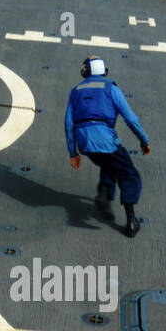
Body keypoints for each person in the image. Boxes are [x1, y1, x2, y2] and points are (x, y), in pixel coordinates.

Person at [65, 55, 150, 237]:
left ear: (85, 71)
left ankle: (104, 195)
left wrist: (73, 153)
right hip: (105, 139)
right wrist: (144, 140)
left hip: (85, 144)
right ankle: (131, 221)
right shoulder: (111, 88)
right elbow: (131, 119)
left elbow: (68, 124)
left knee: (108, 164)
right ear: (105, 71)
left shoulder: (75, 91)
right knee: (129, 175)